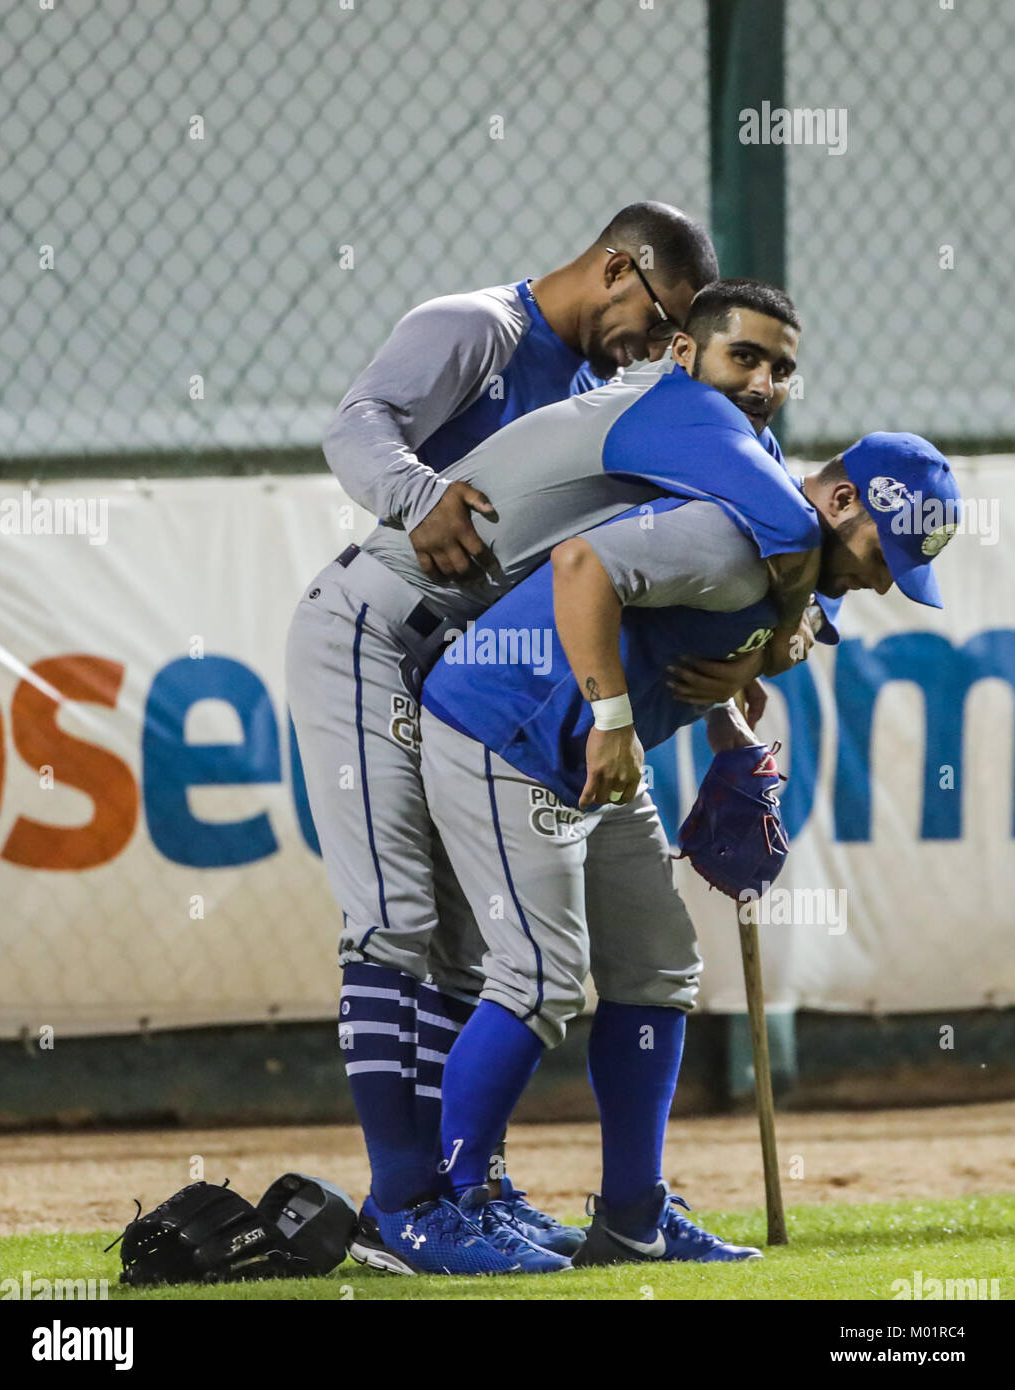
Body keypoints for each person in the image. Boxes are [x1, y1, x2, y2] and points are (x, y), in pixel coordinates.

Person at [288, 279, 820, 1273]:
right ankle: (407, 1204)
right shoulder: (548, 354)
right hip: (386, 638)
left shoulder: (706, 431)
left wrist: (756, 669)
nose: (762, 380)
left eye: (782, 366)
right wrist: (415, 493)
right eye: (739, 353)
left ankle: (499, 1196)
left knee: (470, 943)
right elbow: (783, 543)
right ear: (677, 339)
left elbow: (717, 586)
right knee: (401, 924)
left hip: (475, 665)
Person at [401, 432, 961, 1274]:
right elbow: (582, 567)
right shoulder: (735, 537)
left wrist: (734, 728)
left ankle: (634, 1217)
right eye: (887, 555)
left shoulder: (803, 557)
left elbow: (725, 640)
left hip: (590, 753)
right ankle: (439, 1211)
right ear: (842, 501)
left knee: (659, 970)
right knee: (539, 978)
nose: (886, 581)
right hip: (505, 727)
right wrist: (620, 720)